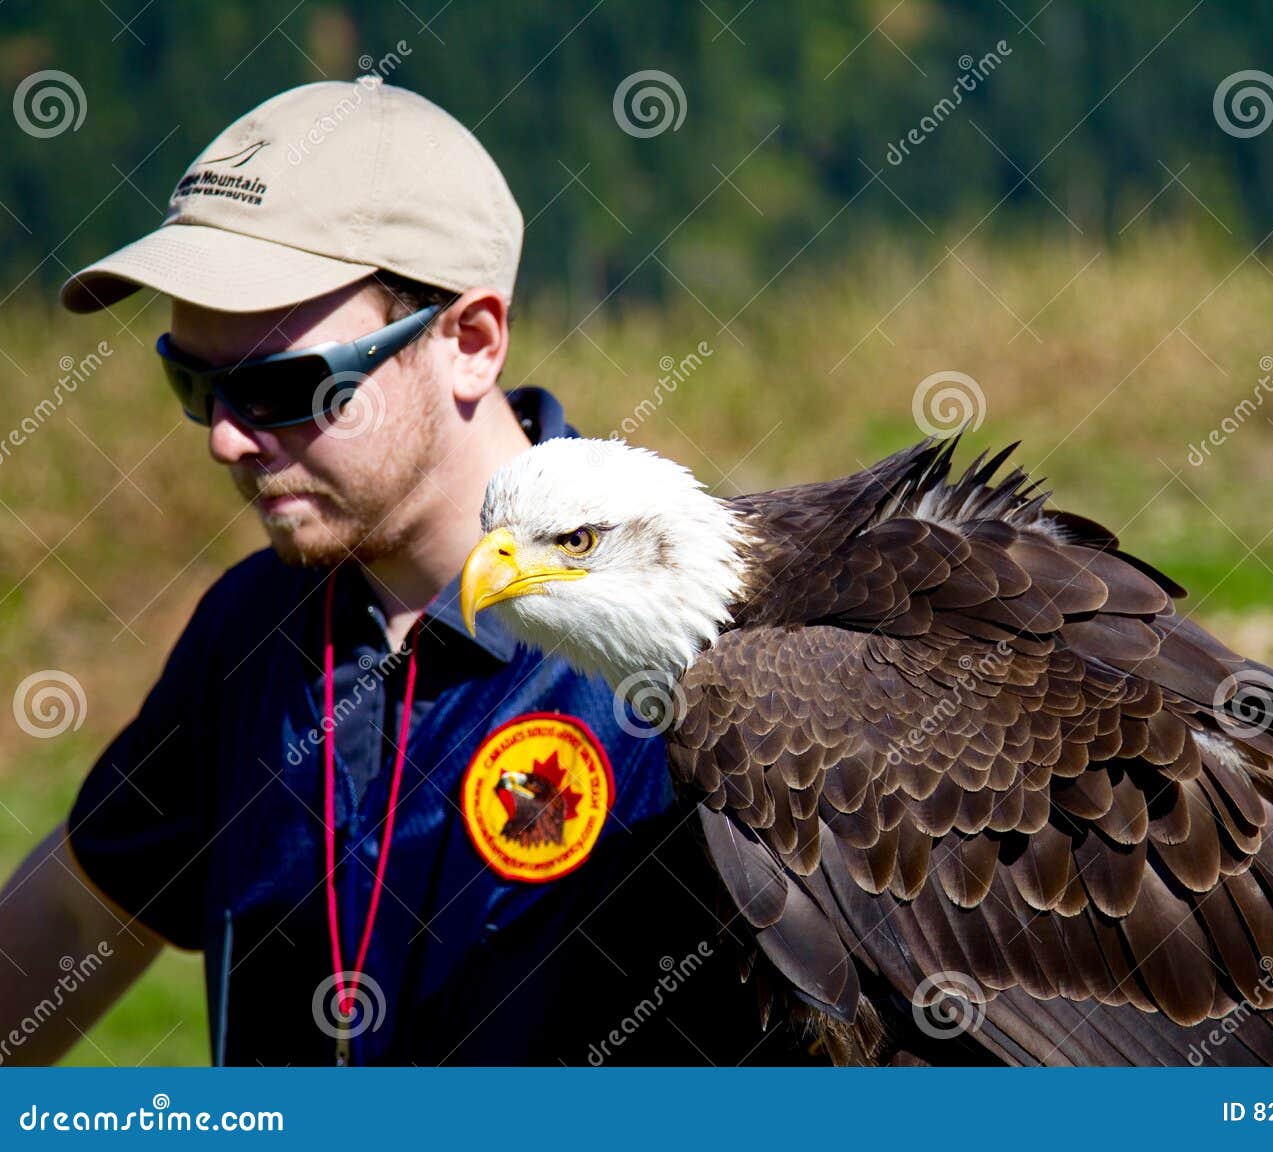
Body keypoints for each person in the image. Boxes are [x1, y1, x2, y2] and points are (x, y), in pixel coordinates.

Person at [0, 78, 808, 1066]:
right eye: (192, 377)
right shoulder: (248, 630)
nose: (223, 436)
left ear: (468, 341)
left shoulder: (719, 664)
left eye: (282, 384)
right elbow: (78, 924)